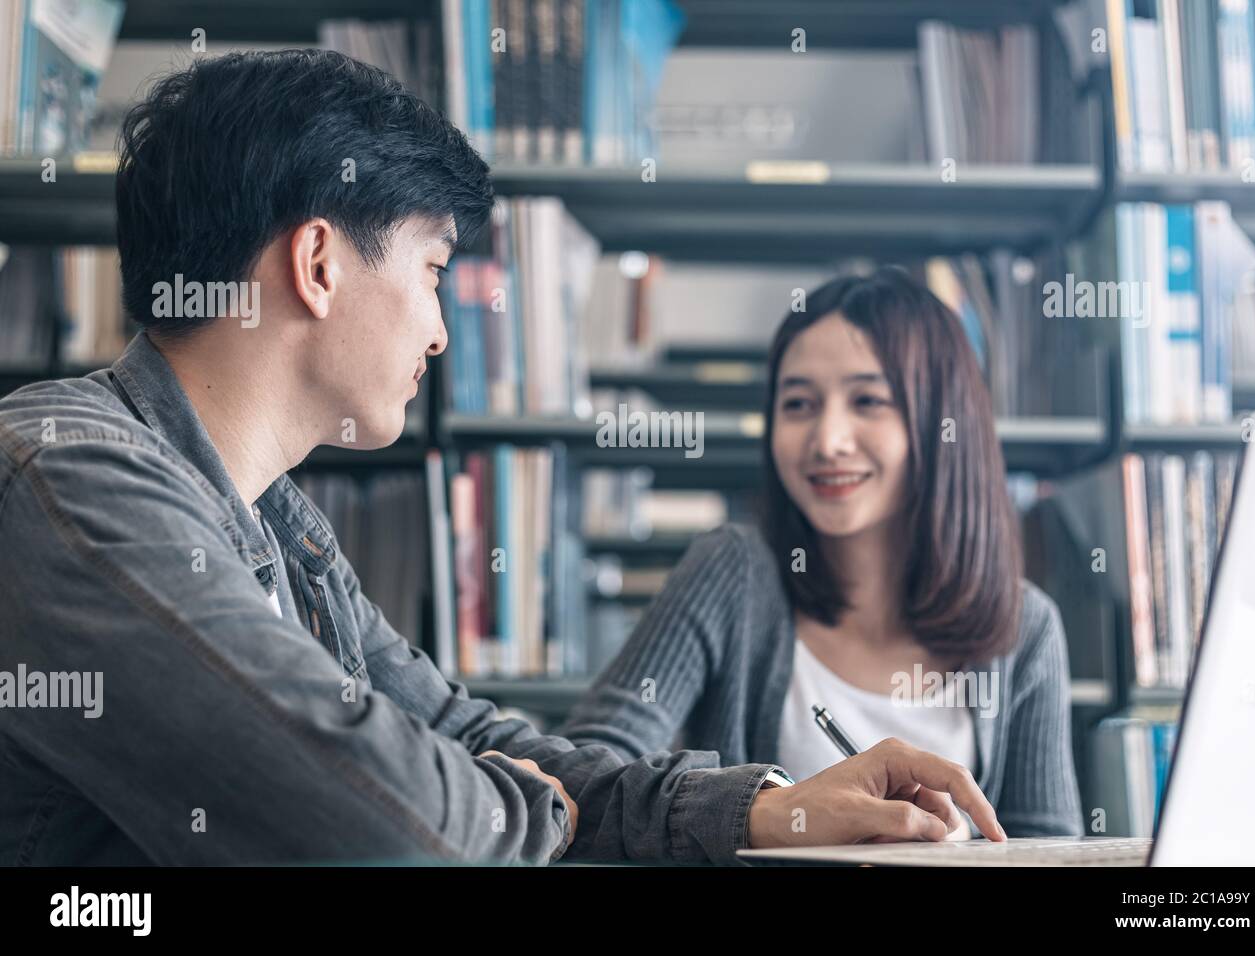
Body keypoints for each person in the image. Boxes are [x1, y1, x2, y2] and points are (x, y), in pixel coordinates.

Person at [0, 51, 1005, 866]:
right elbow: (396, 824)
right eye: (433, 272)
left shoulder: (278, 523)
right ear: (317, 264)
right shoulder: (71, 479)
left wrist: (766, 806)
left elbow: (457, 733)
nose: (440, 334)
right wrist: (533, 808)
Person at [561, 270, 1084, 838]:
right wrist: (768, 807)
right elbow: (577, 778)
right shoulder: (734, 573)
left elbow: (1048, 850)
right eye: (799, 404)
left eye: (867, 400)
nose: (828, 439)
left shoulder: (1025, 628)